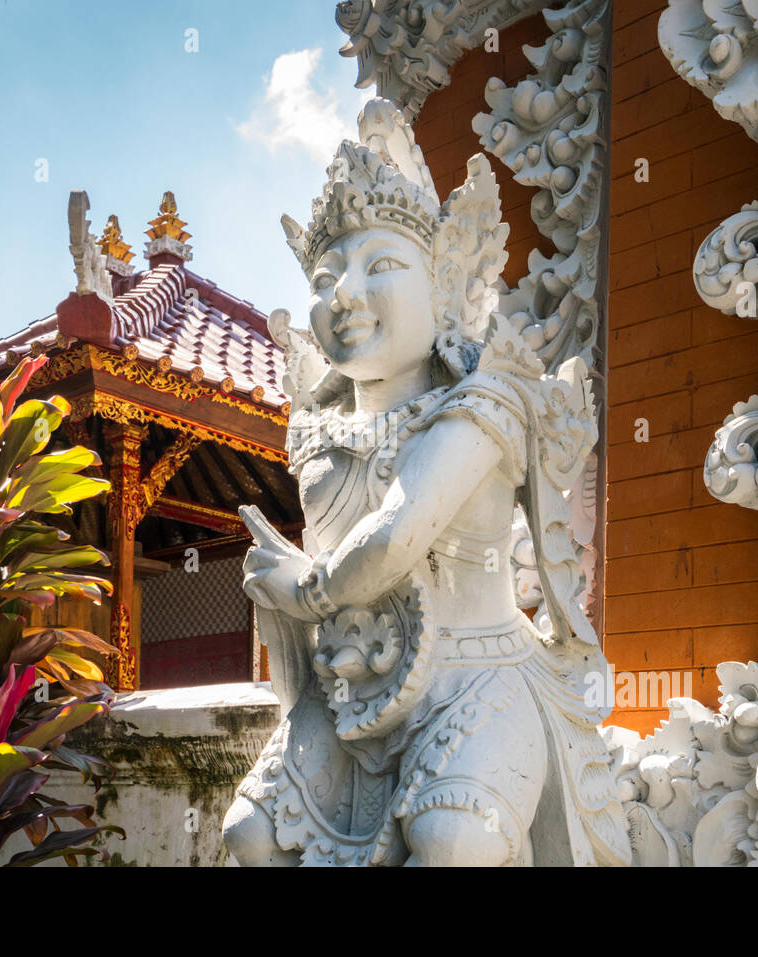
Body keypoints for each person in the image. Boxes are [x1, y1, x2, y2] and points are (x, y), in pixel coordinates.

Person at [222, 99, 630, 867]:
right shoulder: (317, 429)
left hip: (478, 677)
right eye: (324, 274)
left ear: (443, 288)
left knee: (450, 839)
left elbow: (397, 535)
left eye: (381, 265)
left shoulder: (484, 403)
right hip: (349, 690)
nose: (343, 293)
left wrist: (302, 588)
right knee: (248, 836)